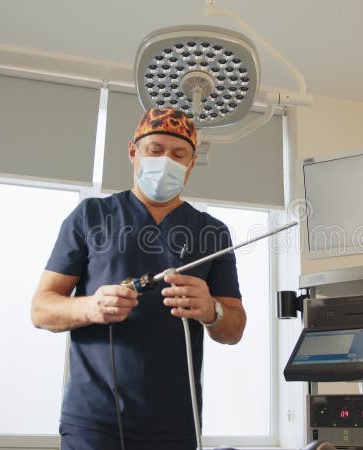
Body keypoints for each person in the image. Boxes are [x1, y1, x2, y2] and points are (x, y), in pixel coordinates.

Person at [31, 108, 247, 450]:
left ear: (191, 164)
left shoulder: (212, 232)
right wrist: (91, 308)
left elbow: (234, 329)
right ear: (133, 152)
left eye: (179, 154)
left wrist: (212, 310)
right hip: (94, 422)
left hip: (175, 424)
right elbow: (41, 310)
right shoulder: (91, 216)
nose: (166, 161)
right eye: (155, 150)